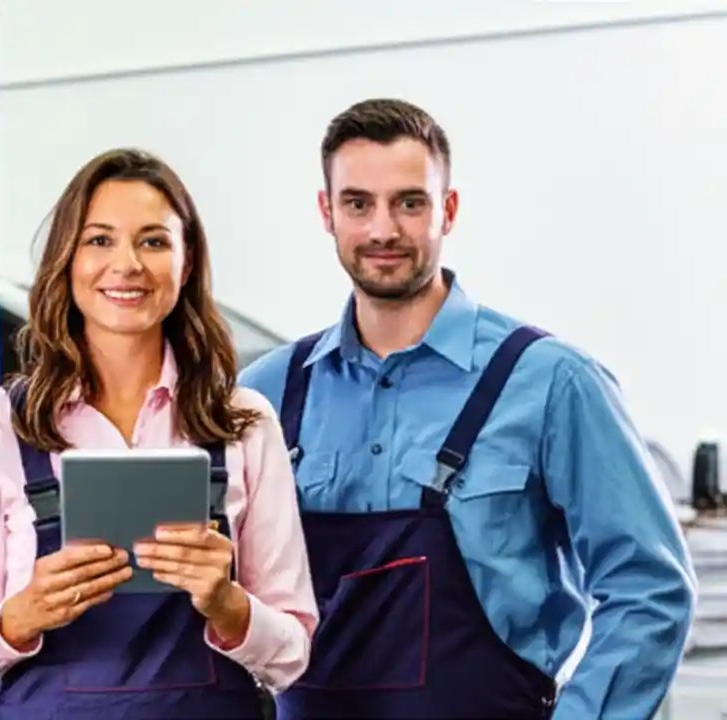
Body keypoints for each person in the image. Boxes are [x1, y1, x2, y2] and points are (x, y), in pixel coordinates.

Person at [239, 98, 697, 719]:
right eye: (357, 203)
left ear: (447, 210)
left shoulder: (551, 381)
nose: (383, 230)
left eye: (410, 202)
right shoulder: (264, 394)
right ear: (327, 213)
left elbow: (650, 588)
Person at [0, 148, 318, 719]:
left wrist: (227, 604)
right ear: (67, 260)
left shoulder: (243, 423)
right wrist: (26, 613)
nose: (127, 264)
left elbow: (291, 654)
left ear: (186, 265)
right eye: (100, 240)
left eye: (154, 241)